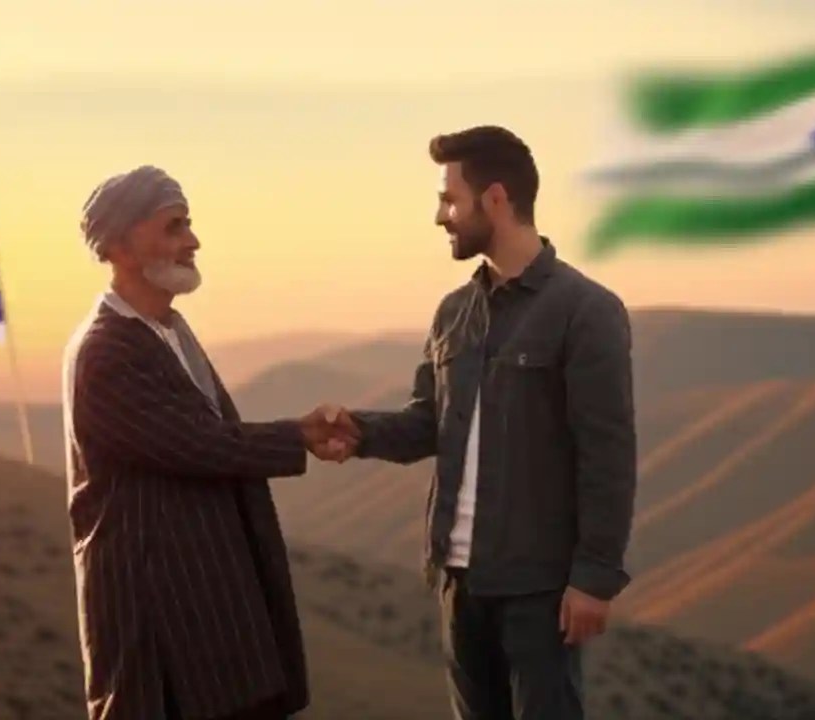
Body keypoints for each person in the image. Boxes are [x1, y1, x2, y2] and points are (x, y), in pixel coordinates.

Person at [320, 126, 638, 719]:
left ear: (494, 199)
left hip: (538, 587)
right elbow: (428, 425)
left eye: (449, 199)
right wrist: (355, 432)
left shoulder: (586, 311)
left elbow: (609, 455)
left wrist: (595, 577)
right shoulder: (453, 313)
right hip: (458, 584)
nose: (441, 216)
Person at [61, 165, 358, 720]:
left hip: (214, 619)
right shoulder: (106, 351)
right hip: (161, 629)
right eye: (173, 227)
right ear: (120, 245)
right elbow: (194, 443)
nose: (192, 240)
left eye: (189, 224)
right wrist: (298, 436)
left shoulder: (168, 331)